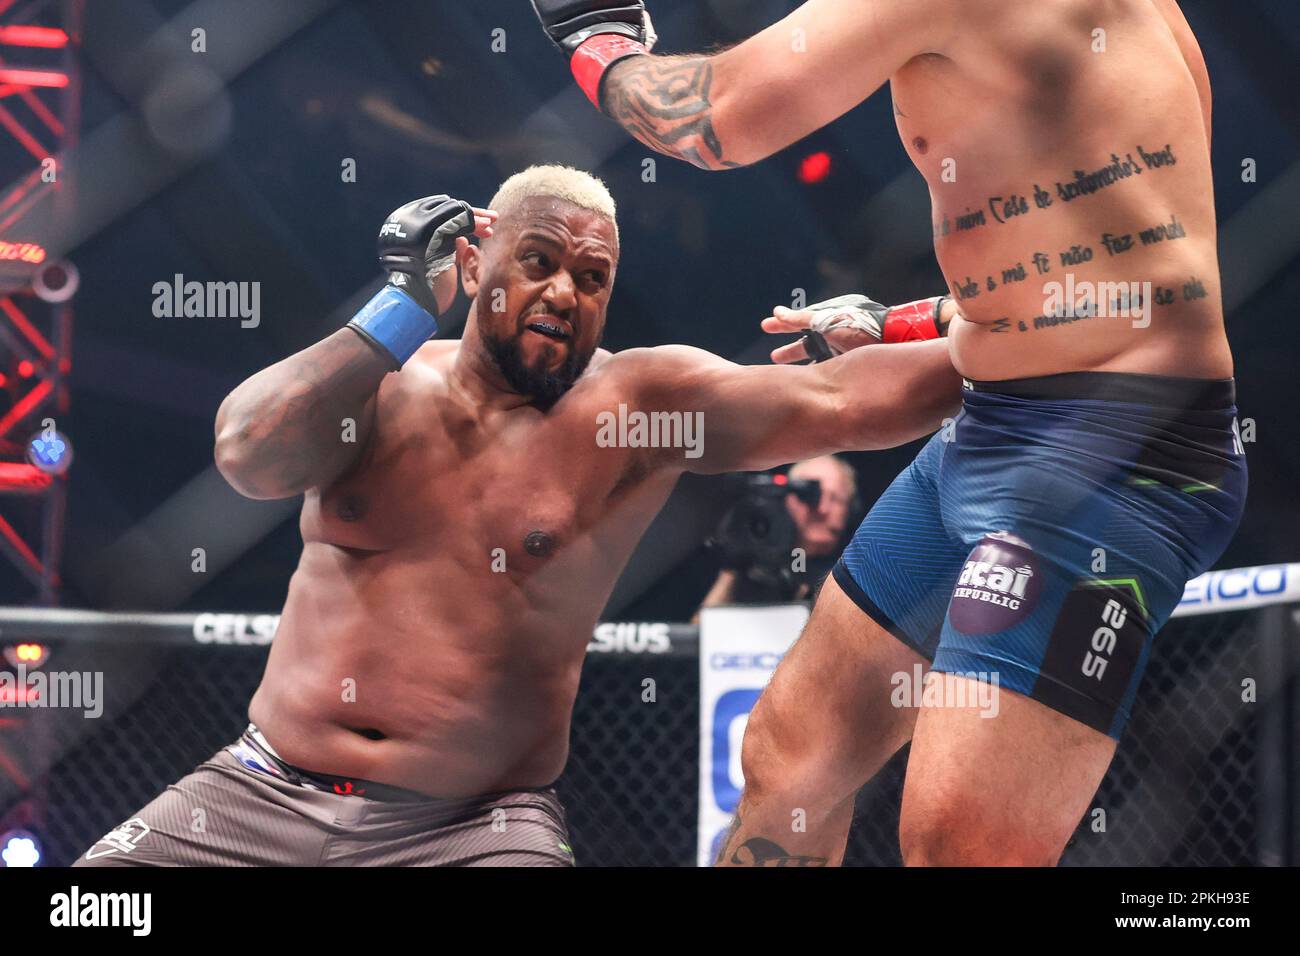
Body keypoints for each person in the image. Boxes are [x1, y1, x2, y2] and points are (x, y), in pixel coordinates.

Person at [73, 165, 959, 867]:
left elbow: (845, 403)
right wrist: (396, 310)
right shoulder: (378, 384)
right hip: (256, 796)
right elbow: (246, 452)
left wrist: (938, 321)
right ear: (472, 263)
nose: (565, 293)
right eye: (539, 262)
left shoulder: (635, 409)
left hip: (474, 827)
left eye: (592, 276)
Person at [532, 0, 1248, 865]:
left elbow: (716, 118)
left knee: (961, 848)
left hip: (1112, 451)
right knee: (789, 762)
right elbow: (1133, 248)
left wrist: (595, 38)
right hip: (994, 422)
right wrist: (909, 320)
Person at [697, 454, 857, 611]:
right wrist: (735, 564)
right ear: (786, 496)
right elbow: (702, 630)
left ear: (851, 511)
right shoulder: (754, 551)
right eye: (808, 493)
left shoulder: (856, 572)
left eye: (835, 498)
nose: (822, 508)